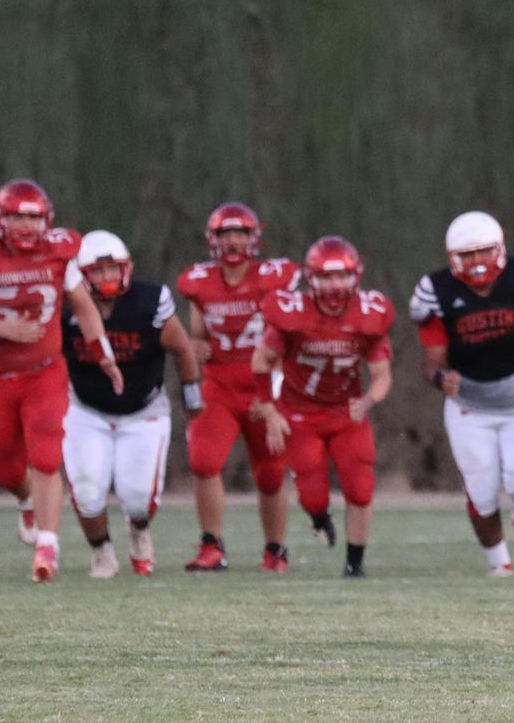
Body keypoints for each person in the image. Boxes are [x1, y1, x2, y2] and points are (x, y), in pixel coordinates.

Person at [0, 178, 121, 582]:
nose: (26, 227)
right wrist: (0, 329)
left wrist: (104, 357)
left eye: (33, 218)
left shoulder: (60, 253)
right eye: (17, 218)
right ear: (0, 220)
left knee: (46, 454)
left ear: (47, 220)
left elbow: (85, 307)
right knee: (8, 468)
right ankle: (26, 501)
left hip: (44, 371)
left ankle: (48, 544)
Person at [408, 211, 514, 576]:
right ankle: (499, 567)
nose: (476, 263)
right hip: (469, 406)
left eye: (483, 252)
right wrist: (441, 377)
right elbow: (431, 360)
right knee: (481, 493)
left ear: (500, 249)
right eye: (467, 255)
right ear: (452, 257)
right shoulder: (435, 290)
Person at [61, 231, 203, 578]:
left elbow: (182, 348)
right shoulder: (65, 308)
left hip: (143, 411)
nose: (109, 277)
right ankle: (102, 551)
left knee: (137, 497)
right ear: (81, 275)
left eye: (115, 269)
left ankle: (138, 529)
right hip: (85, 409)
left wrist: (191, 394)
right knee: (87, 491)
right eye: (99, 271)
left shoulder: (148, 301)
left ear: (128, 267)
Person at [251, 237, 394, 578]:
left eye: (340, 276)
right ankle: (319, 517)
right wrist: (270, 412)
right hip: (300, 415)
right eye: (326, 277)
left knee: (360, 489)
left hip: (346, 414)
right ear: (310, 278)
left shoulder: (368, 316)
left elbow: (382, 375)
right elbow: (260, 361)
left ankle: (354, 565)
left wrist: (369, 400)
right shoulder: (293, 314)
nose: (333, 285)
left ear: (355, 276)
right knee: (313, 496)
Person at [176, 202, 299, 572]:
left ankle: (275, 549)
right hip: (220, 384)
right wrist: (195, 347)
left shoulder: (274, 277)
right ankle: (212, 545)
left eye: (239, 233)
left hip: (264, 385)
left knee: (272, 471)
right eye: (225, 234)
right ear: (212, 240)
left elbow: (290, 330)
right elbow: (198, 337)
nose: (232, 241)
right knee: (203, 460)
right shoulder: (199, 283)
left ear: (253, 237)